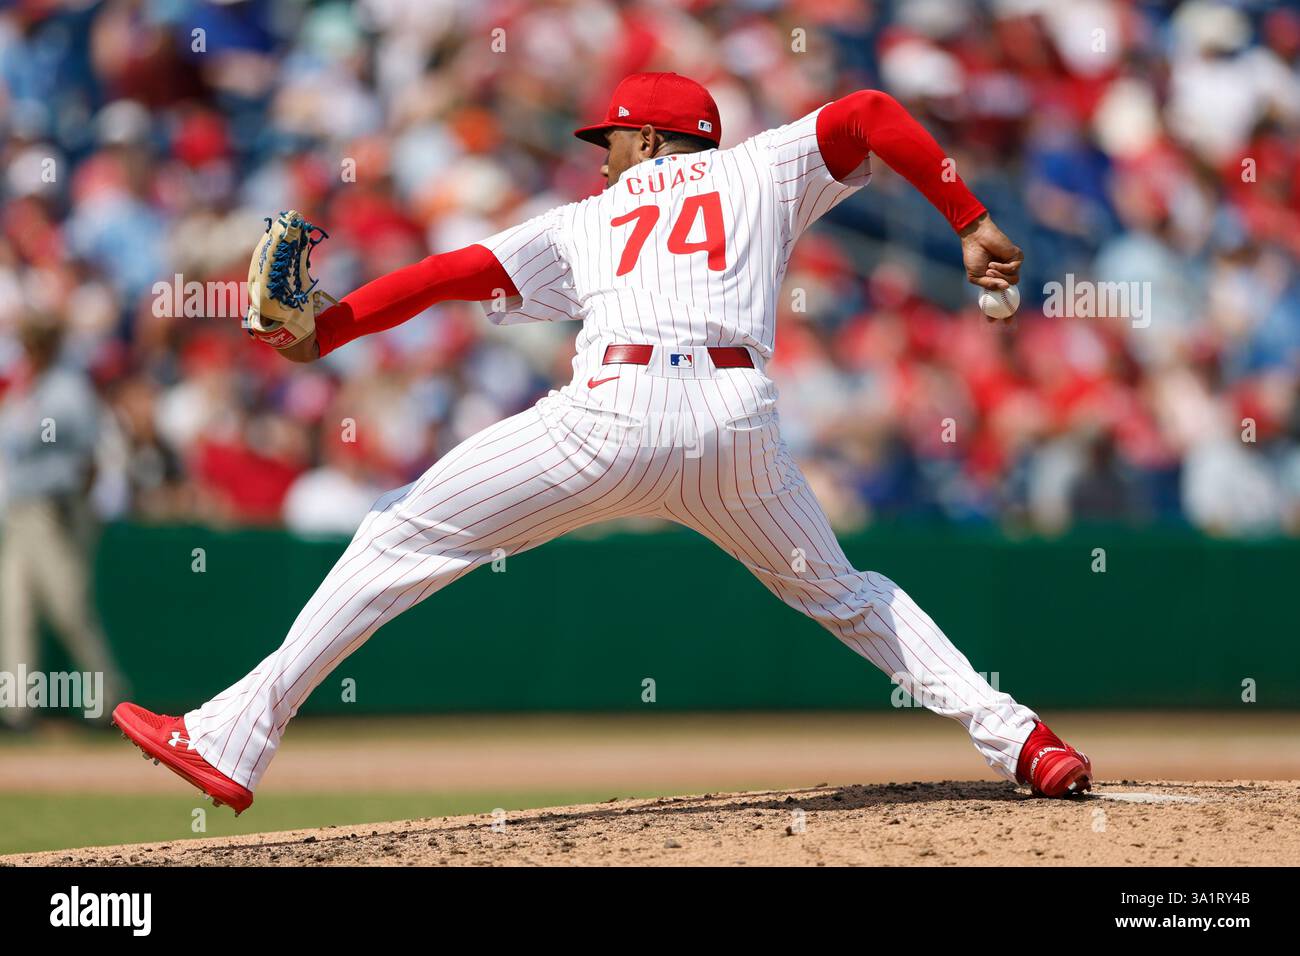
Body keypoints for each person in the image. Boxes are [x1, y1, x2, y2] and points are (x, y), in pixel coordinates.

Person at [112, 73, 1090, 813]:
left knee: (399, 536)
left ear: (652, 133)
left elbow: (452, 274)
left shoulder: (588, 217)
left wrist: (329, 332)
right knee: (844, 593)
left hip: (609, 410)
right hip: (733, 419)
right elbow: (872, 110)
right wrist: (969, 218)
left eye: (610, 136)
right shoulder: (761, 166)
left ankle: (236, 738)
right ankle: (1024, 742)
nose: (600, 152)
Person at [0, 313, 126, 729]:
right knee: (14, 605)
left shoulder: (68, 390)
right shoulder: (26, 389)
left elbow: (90, 459)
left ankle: (109, 702)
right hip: (19, 512)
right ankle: (17, 710)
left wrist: (76, 513)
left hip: (54, 510)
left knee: (69, 607)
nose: (30, 349)